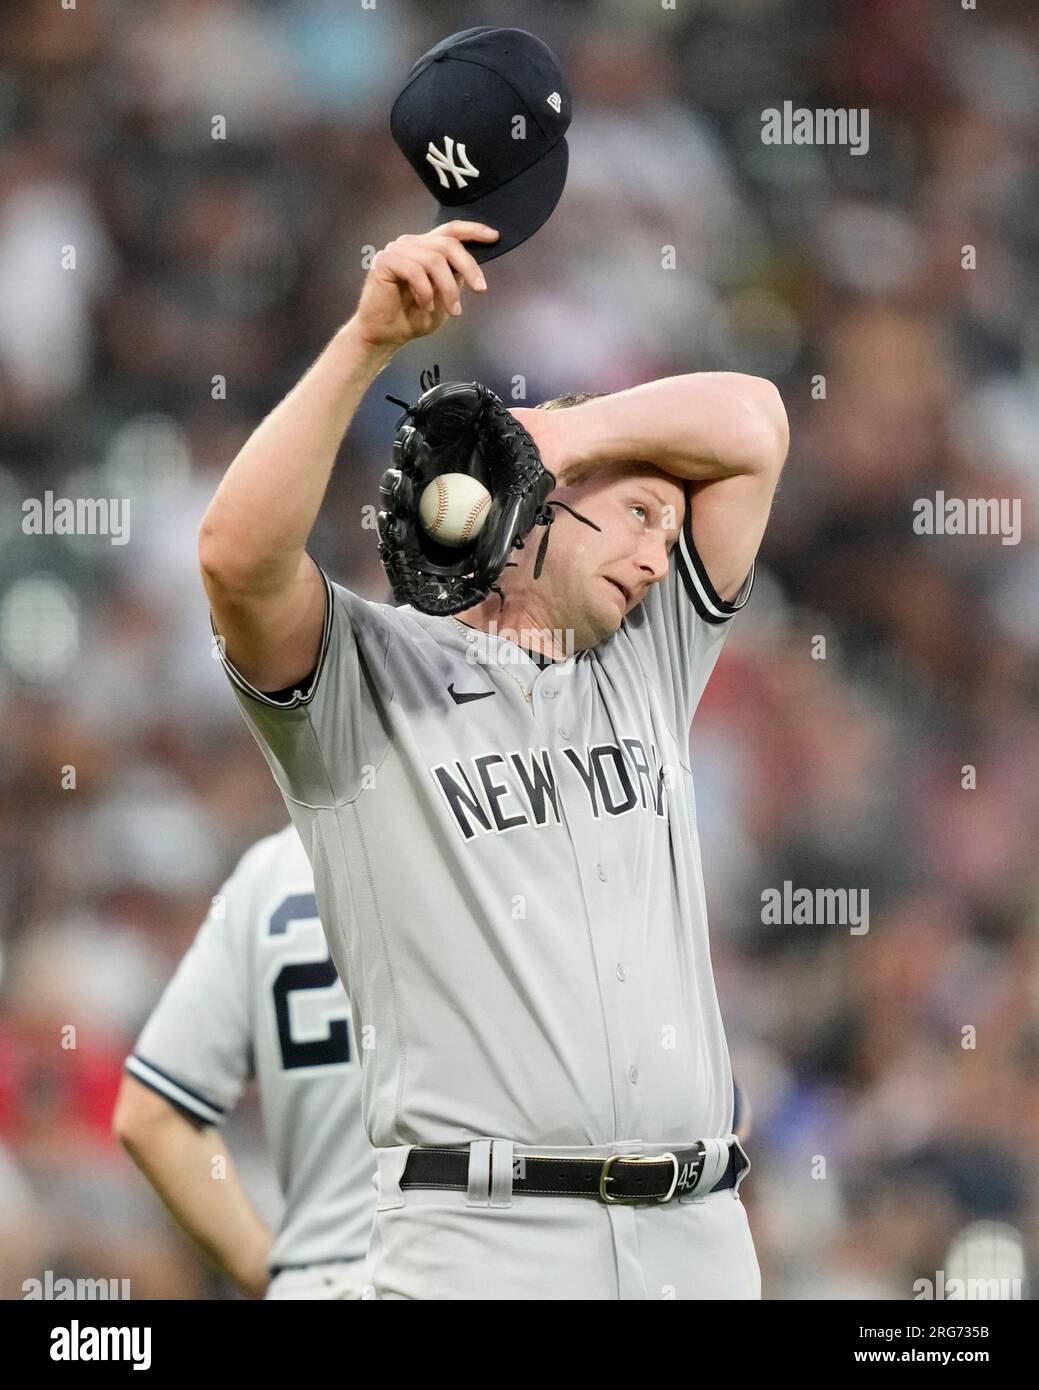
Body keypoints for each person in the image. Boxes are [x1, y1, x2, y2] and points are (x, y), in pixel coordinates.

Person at [198, 220, 788, 1299]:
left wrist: (553, 438)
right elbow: (237, 559)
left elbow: (755, 422)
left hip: (698, 1237)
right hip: (483, 1240)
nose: (663, 555)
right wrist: (366, 344)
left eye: (672, 528)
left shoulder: (645, 663)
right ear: (525, 516)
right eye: (642, 512)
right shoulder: (362, 681)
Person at [113, 826, 374, 1299]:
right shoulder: (503, 837)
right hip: (474, 1264)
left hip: (320, 1277)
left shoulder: (269, 870)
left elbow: (150, 1116)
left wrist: (278, 1274)